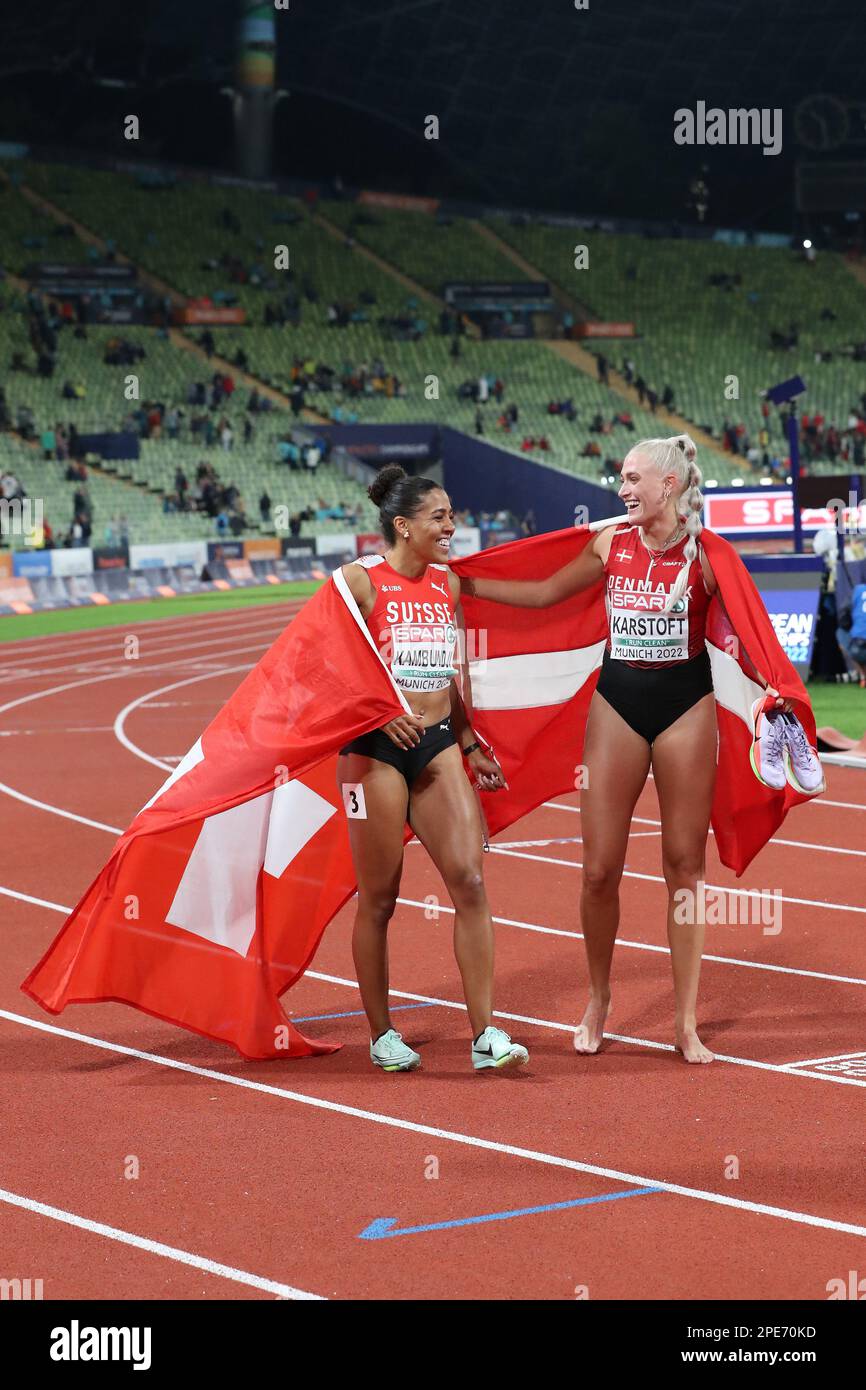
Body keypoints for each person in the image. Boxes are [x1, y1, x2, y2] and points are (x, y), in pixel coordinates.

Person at [460, 433, 802, 1065]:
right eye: (620, 479)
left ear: (668, 486)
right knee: (598, 869)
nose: (621, 490)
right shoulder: (609, 542)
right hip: (617, 705)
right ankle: (598, 998)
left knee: (684, 867)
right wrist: (466, 586)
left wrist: (776, 695)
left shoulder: (707, 557)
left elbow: (749, 635)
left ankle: (685, 1019)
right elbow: (542, 595)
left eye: (632, 479)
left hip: (686, 709)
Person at [337, 464, 529, 1074]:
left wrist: (470, 740)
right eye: (439, 517)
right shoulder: (357, 583)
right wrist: (372, 708)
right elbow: (319, 665)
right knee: (380, 897)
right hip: (373, 749)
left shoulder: (444, 587)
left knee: (469, 881)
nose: (452, 527)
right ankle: (382, 1034)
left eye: (451, 515)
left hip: (439, 740)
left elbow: (444, 671)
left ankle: (486, 1035)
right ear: (403, 525)